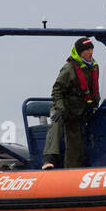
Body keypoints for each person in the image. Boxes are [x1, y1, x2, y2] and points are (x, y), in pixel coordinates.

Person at [41, 37, 99, 169]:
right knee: (56, 122)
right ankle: (48, 159)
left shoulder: (94, 67)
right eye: (87, 49)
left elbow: (95, 89)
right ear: (80, 52)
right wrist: (61, 109)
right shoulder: (68, 69)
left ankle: (71, 171)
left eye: (91, 49)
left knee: (75, 143)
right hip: (63, 107)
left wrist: (94, 105)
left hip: (78, 110)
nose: (91, 52)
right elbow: (57, 91)